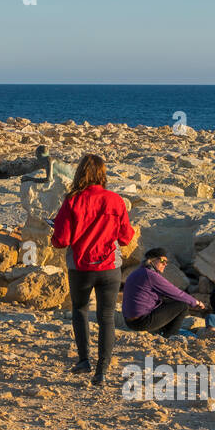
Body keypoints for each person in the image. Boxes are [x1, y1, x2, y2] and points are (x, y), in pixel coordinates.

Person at [51, 154, 134, 386]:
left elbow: (61, 239)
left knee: (80, 310)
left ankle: (83, 360)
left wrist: (54, 235)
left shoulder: (72, 201)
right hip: (110, 266)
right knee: (106, 317)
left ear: (80, 173)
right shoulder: (115, 200)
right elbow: (126, 237)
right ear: (103, 174)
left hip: (81, 266)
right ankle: (102, 371)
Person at [121, 248, 207, 337]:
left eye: (166, 262)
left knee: (169, 301)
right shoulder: (150, 275)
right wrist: (195, 302)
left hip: (129, 321)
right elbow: (176, 292)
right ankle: (170, 337)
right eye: (162, 261)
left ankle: (162, 330)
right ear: (151, 260)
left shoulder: (138, 272)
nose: (165, 264)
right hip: (141, 322)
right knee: (182, 305)